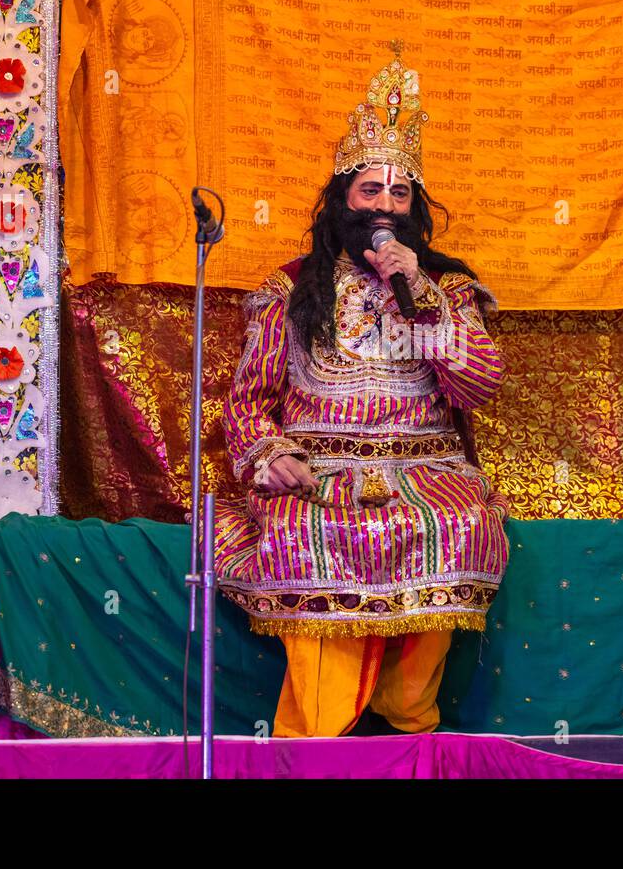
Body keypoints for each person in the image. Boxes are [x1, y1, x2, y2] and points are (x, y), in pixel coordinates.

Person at [212, 46, 509, 738]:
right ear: (344, 198)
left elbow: (477, 387)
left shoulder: (447, 288)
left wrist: (423, 298)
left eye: (399, 193)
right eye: (370, 191)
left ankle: (410, 721)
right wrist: (266, 452)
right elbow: (246, 401)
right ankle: (317, 734)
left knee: (462, 524)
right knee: (304, 530)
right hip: (319, 476)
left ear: (414, 210)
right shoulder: (291, 290)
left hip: (426, 474)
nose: (384, 205)